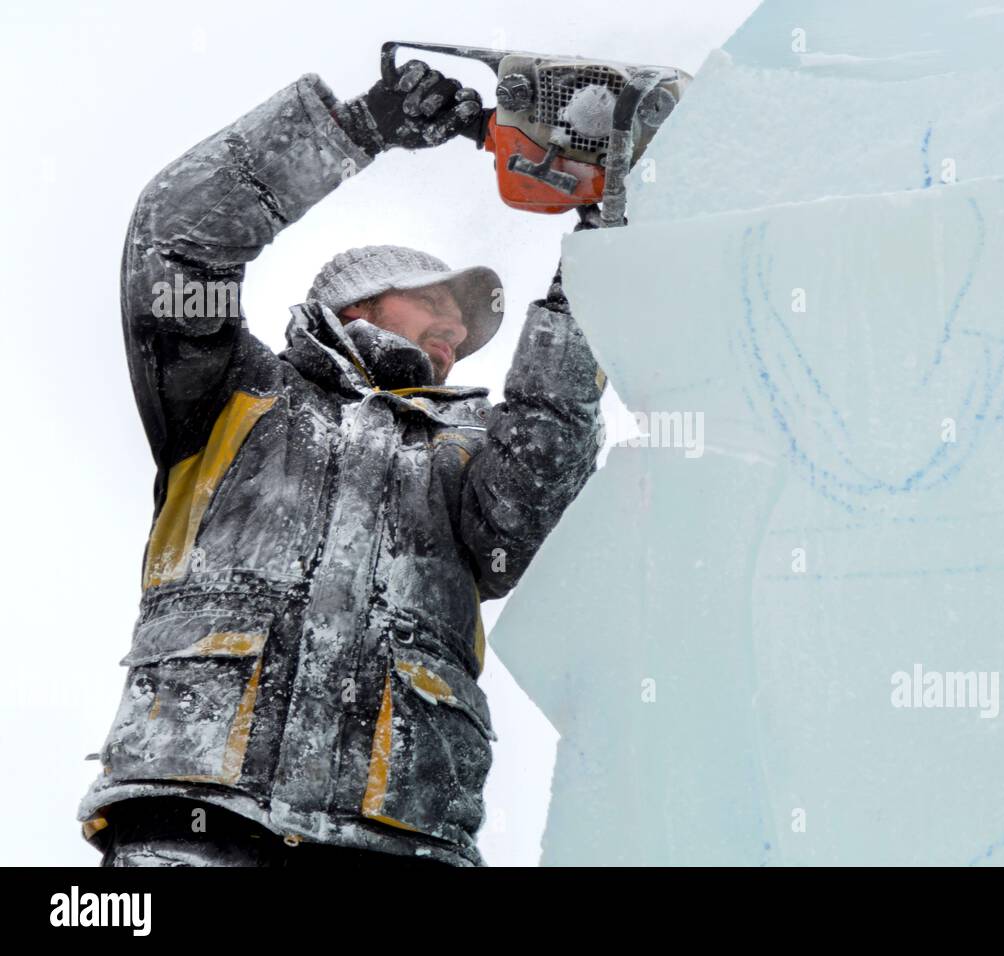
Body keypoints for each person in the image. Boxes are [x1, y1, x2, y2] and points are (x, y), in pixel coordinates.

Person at [77, 56, 608, 866]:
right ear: (354, 303)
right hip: (196, 823)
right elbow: (179, 242)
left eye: (462, 333)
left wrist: (597, 275)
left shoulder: (466, 454)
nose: (453, 336)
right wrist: (357, 128)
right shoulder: (228, 392)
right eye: (434, 304)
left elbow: (543, 464)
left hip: (400, 842)